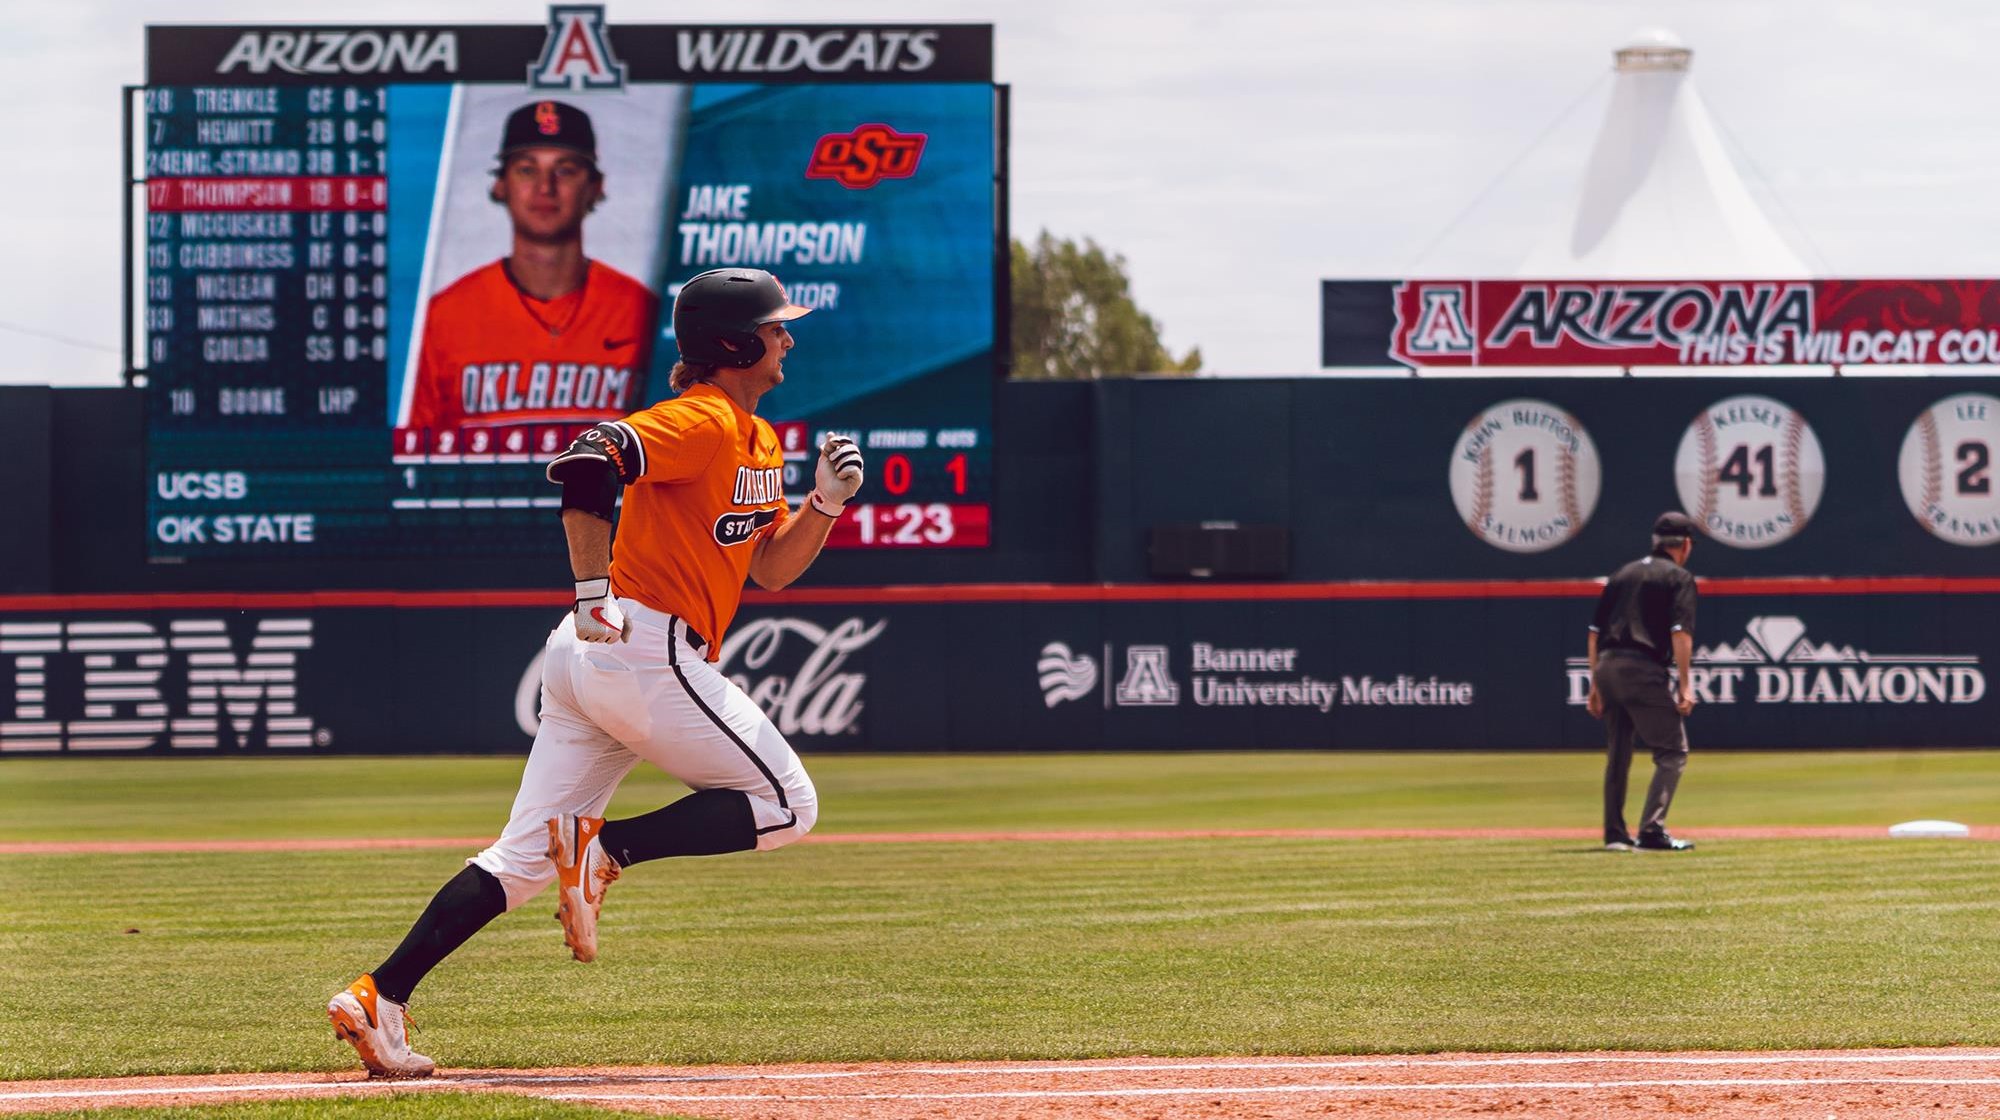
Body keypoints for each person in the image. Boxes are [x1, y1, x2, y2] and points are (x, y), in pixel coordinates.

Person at [330, 267, 865, 1078]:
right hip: (643, 646)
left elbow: (771, 572)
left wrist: (822, 508)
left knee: (518, 861)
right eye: (775, 325)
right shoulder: (702, 419)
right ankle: (605, 850)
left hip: (597, 659)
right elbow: (591, 458)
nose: (787, 336)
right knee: (789, 804)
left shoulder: (758, 439)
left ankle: (381, 996)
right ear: (734, 343)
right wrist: (588, 591)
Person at [403, 100, 658, 438]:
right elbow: (414, 463)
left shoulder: (644, 312)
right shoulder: (446, 314)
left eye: (565, 170)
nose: (545, 187)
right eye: (527, 169)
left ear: (595, 186)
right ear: (500, 185)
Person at [1586, 511, 1700, 853]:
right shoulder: (1678, 577)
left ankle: (1615, 834)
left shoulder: (1622, 573)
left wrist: (1595, 684)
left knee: (1618, 751)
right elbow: (1680, 633)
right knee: (1672, 751)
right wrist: (1685, 684)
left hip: (1607, 665)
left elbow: (1594, 635)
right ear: (1687, 544)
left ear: (1655, 541)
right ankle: (1651, 830)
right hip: (1641, 667)